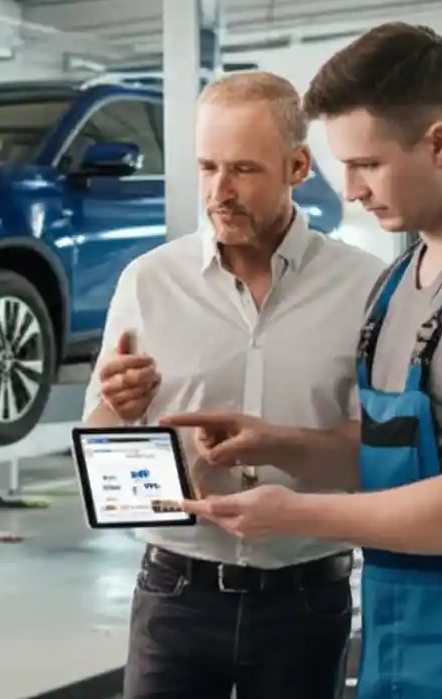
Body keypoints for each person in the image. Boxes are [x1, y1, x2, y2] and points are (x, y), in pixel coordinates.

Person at [165, 23, 442, 699]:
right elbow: (392, 453)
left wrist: (295, 514)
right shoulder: (405, 280)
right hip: (400, 640)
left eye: (367, 164)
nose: (351, 191)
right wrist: (281, 444)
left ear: (440, 144)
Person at [83, 70, 386, 698]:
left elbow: (377, 452)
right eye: (207, 167)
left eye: (244, 170)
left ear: (298, 165)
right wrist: (115, 409)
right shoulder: (149, 283)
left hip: (308, 597)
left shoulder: (365, 289)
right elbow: (100, 448)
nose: (220, 191)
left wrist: (275, 444)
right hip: (175, 595)